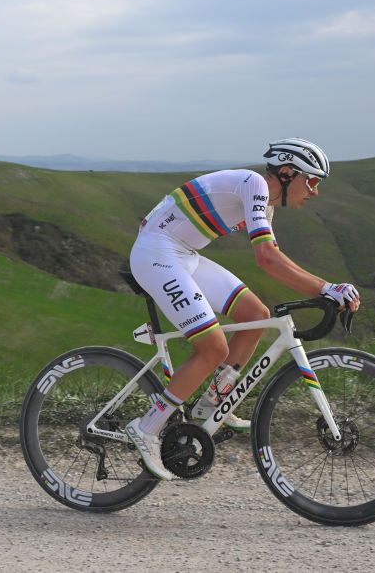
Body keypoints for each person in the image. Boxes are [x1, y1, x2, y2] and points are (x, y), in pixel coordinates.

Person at [124, 138, 360, 480]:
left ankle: (211, 402)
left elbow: (275, 259)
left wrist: (324, 289)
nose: (315, 191)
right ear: (287, 173)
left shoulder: (264, 201)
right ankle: (146, 427)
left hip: (182, 253)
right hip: (157, 253)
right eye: (311, 181)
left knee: (255, 316)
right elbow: (266, 259)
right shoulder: (254, 185)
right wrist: (326, 288)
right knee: (213, 347)